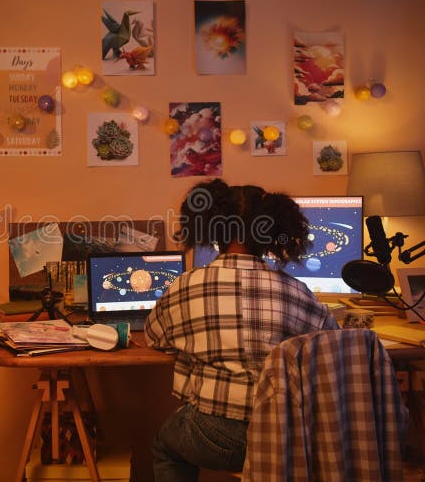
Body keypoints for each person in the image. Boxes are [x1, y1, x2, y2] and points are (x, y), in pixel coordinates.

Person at [144, 179, 340, 481]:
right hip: (283, 436)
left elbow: (155, 337)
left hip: (213, 434)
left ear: (213, 230)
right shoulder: (297, 292)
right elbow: (332, 342)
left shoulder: (187, 285)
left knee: (165, 445)